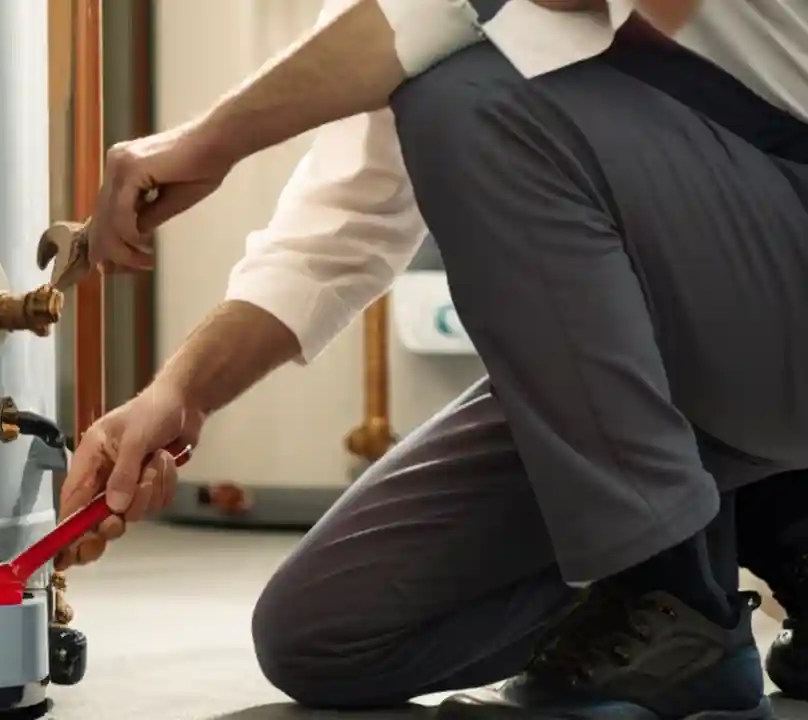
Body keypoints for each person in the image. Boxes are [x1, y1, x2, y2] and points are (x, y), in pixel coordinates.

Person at [54, 0, 808, 717]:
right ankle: (768, 520)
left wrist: (213, 139)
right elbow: (343, 225)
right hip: (710, 335)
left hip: (783, 251)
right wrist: (180, 394)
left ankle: (675, 598)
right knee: (324, 634)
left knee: (467, 103)